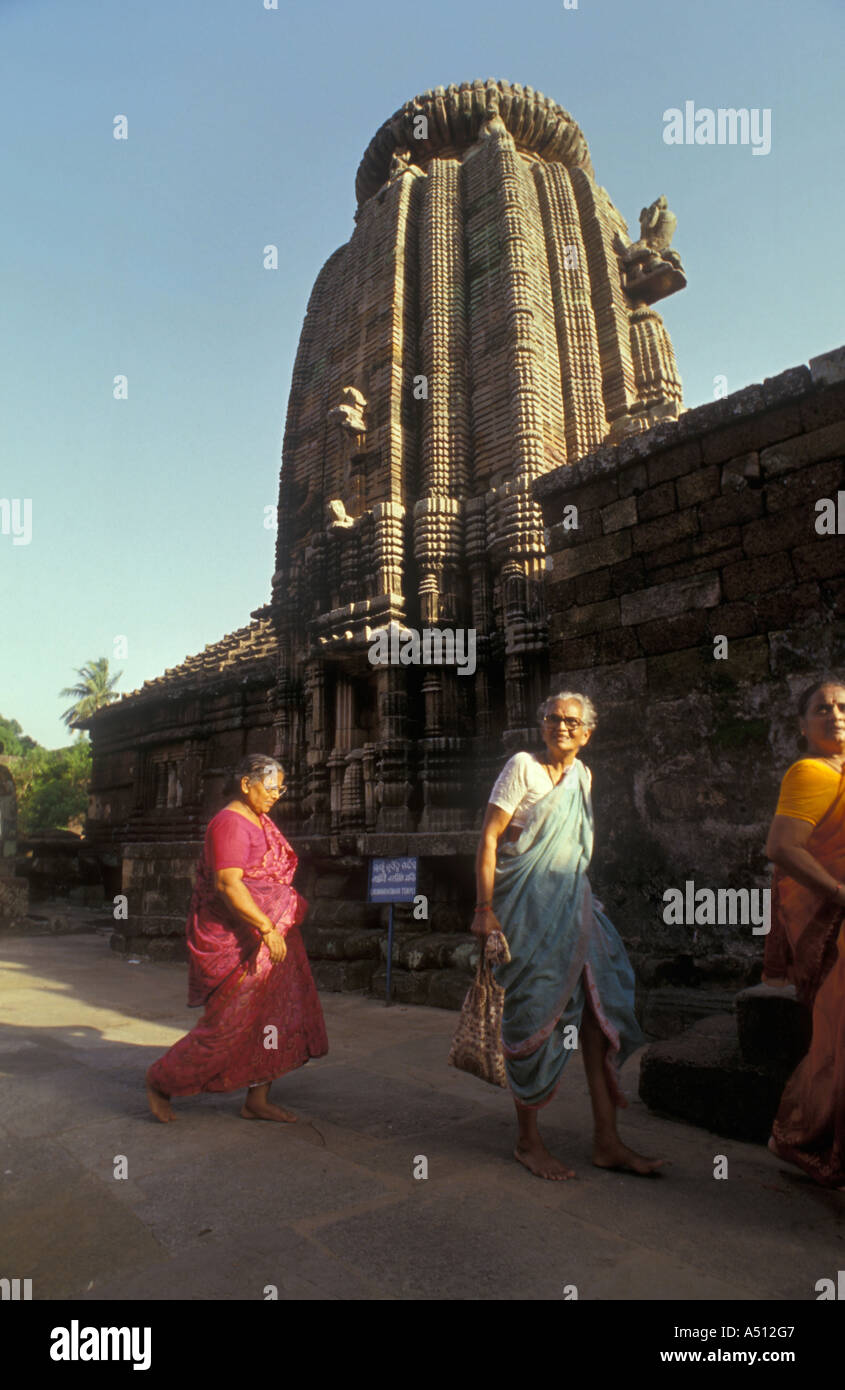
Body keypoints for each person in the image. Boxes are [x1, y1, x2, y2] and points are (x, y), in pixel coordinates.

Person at [472, 692, 663, 1180]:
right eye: (553, 717)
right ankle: (527, 1141)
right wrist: (484, 909)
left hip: (574, 906)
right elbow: (491, 838)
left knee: (602, 1018)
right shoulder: (522, 767)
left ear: (586, 732)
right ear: (542, 725)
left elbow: (575, 842)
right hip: (525, 912)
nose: (561, 726)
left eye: (571, 721)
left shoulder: (582, 775)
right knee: (532, 1016)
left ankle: (607, 1141)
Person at [145, 754, 328, 1123]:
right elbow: (229, 885)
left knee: (275, 1018)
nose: (277, 795)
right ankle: (161, 1081)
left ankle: (256, 1100)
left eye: (282, 789)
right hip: (239, 939)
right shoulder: (228, 824)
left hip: (270, 935)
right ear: (247, 784)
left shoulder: (257, 820)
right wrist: (266, 928)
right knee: (227, 1027)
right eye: (272, 788)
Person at [763, 678, 845, 1187]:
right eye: (822, 707)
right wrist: (840, 892)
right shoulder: (809, 772)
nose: (835, 714)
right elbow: (782, 848)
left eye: (843, 706)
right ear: (802, 724)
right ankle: (804, 1136)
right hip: (834, 915)